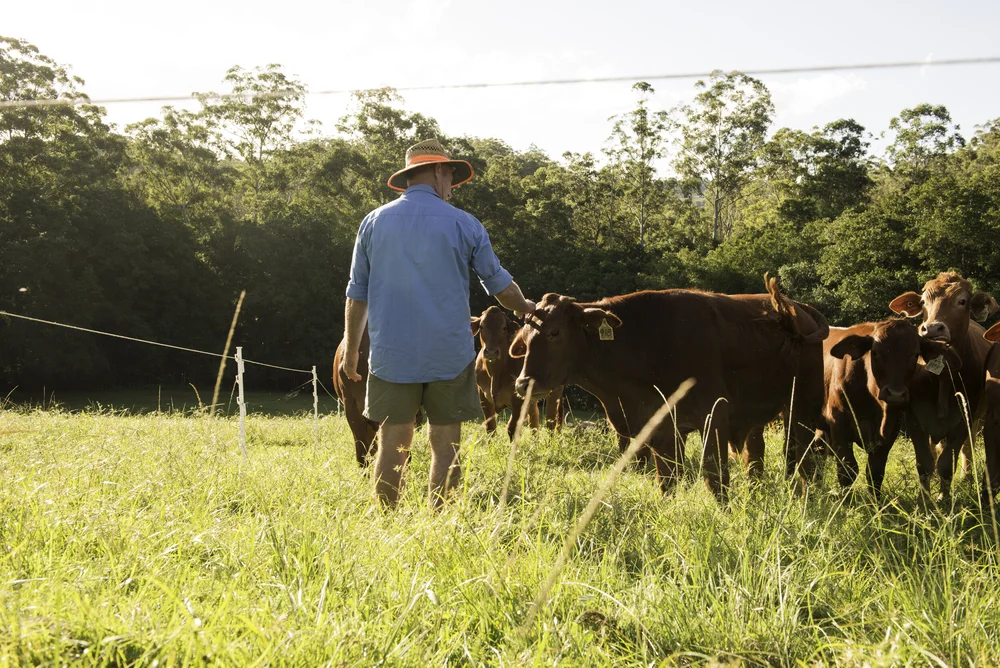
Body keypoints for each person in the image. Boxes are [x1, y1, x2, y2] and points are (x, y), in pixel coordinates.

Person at [340, 139, 535, 508]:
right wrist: (528, 307)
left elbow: (357, 294)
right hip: (449, 354)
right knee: (446, 443)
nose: (453, 186)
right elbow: (500, 288)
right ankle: (439, 523)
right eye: (451, 176)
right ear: (437, 171)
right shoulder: (465, 223)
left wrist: (351, 350)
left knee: (393, 441)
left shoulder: (373, 221)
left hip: (391, 354)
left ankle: (387, 525)